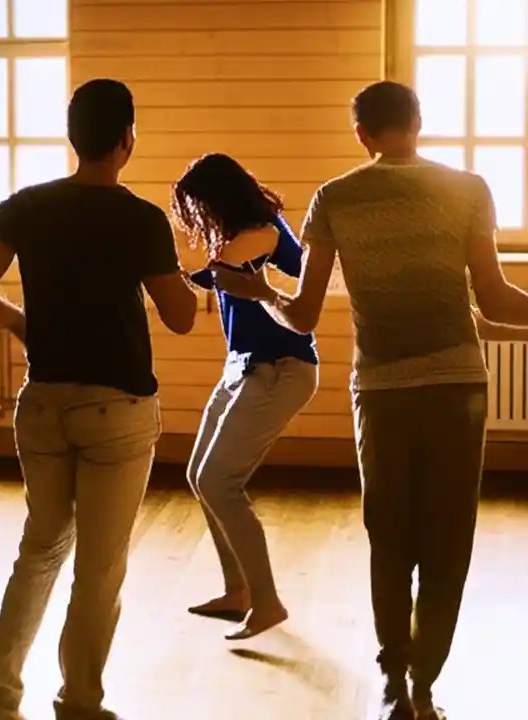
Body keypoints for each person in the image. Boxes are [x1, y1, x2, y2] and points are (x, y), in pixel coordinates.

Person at [212, 81, 528, 720]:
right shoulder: (467, 189)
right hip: (458, 387)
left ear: (361, 134)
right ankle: (424, 686)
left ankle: (393, 685)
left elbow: (302, 317)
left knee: (389, 539)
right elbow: (496, 301)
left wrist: (259, 290)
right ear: (418, 122)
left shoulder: (335, 197)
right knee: (448, 541)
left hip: (382, 392)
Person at [0, 79, 198, 720]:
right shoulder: (141, 218)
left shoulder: (24, 207)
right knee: (99, 566)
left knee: (39, 549)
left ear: (73, 138)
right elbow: (180, 318)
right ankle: (80, 701)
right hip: (117, 409)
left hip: (41, 403)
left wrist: (21, 323)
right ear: (126, 140)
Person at [168, 153, 319, 640]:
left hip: (280, 369)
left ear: (220, 199)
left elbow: (219, 269)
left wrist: (161, 264)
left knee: (219, 481)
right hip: (246, 366)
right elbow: (211, 273)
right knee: (200, 475)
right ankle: (239, 591)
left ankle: (266, 601)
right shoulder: (241, 236)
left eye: (199, 206)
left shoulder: (262, 232)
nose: (197, 217)